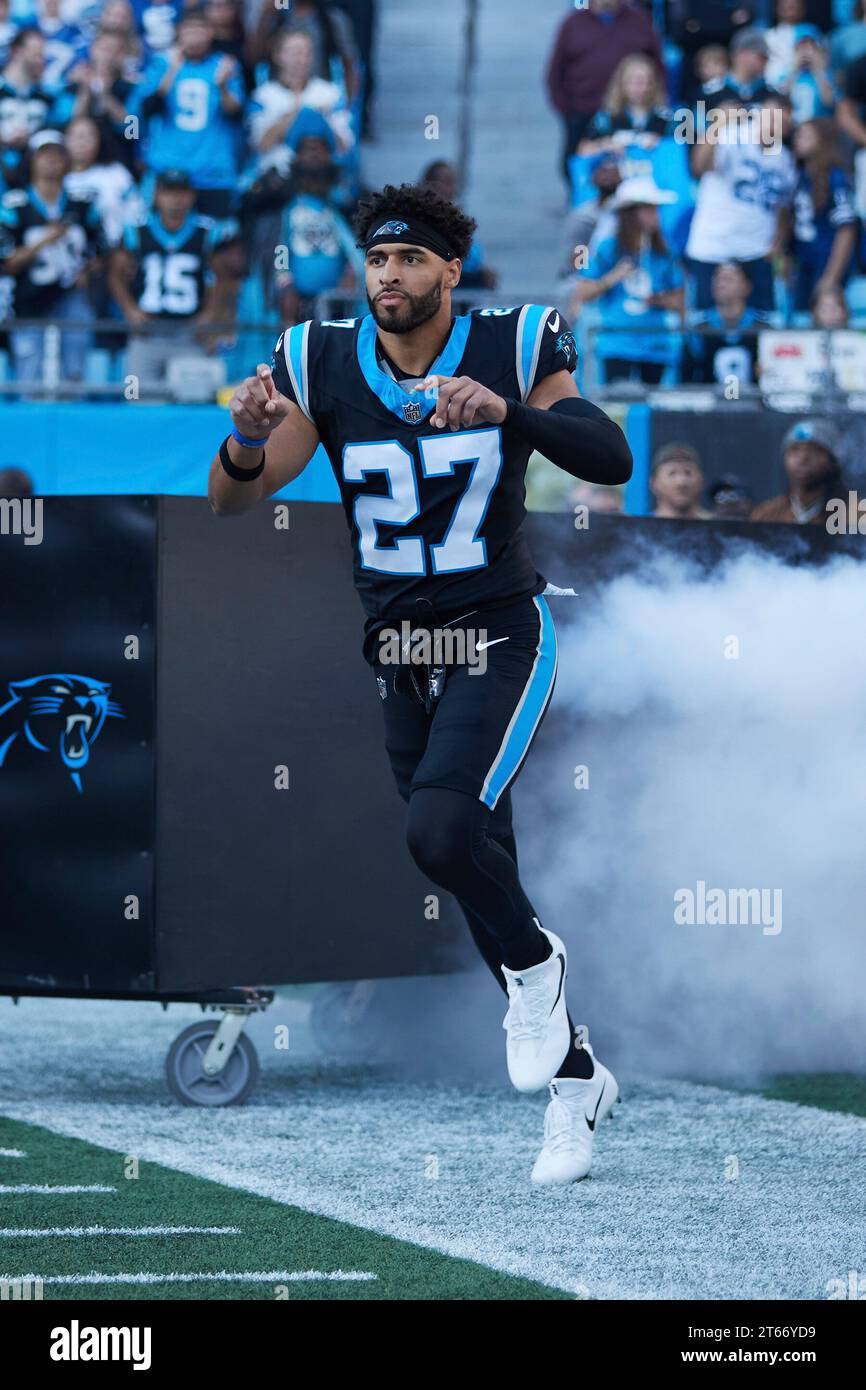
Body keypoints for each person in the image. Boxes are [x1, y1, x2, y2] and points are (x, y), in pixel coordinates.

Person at [207, 181, 633, 1186]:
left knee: (438, 834)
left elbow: (608, 452)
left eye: (409, 260)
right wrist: (245, 434)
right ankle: (575, 1088)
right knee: (477, 872)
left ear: (449, 270)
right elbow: (234, 498)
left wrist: (511, 415)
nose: (388, 276)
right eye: (377, 260)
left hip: (494, 626)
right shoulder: (319, 357)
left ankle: (536, 975)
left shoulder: (511, 342)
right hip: (398, 648)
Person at [108, 167, 237, 388]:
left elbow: (223, 279)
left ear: (191, 196)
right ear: (157, 195)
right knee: (140, 404)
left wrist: (211, 314)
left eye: (181, 193)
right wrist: (129, 308)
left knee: (192, 401)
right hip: (147, 334)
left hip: (189, 333)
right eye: (169, 192)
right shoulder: (136, 230)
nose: (175, 199)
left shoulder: (207, 232)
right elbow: (115, 275)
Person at [0, 129, 108, 388]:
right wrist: (45, 240)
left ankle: (75, 419)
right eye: (44, 155)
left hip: (71, 294)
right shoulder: (14, 204)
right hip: (28, 298)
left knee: (74, 369)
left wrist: (87, 272)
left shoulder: (82, 202)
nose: (51, 161)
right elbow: (8, 262)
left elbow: (102, 251)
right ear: (32, 160)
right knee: (29, 372)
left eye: (57, 154)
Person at [133, 8, 245, 219]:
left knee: (216, 243)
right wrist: (171, 71)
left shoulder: (225, 65)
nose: (195, 36)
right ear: (179, 34)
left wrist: (222, 87)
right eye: (189, 30)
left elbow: (236, 115)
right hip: (169, 169)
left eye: (200, 29)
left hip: (213, 171)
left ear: (211, 33)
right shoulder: (162, 63)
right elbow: (148, 110)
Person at [687, 97, 797, 311]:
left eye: (783, 122)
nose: (776, 126)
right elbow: (698, 167)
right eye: (772, 118)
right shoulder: (732, 136)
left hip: (756, 251)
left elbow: (783, 205)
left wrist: (778, 241)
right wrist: (717, 125)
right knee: (706, 327)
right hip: (713, 246)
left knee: (761, 326)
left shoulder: (784, 158)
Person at [571, 176, 683, 386]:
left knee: (652, 407)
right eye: (649, 209)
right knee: (616, 406)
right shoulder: (607, 248)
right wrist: (612, 277)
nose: (655, 216)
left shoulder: (665, 251)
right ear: (631, 214)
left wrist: (659, 300)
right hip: (617, 341)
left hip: (655, 343)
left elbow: (680, 300)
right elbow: (582, 292)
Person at [545, 0, 662, 188]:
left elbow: (657, 64)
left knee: (633, 164)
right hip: (583, 110)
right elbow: (556, 71)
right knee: (575, 162)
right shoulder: (573, 23)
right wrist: (566, 109)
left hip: (629, 110)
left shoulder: (639, 20)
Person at [247, 27, 354, 181]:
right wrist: (295, 113)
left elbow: (344, 147)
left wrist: (320, 119)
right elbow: (262, 144)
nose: (302, 59)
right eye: (296, 52)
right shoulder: (263, 96)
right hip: (278, 179)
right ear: (278, 56)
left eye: (308, 52)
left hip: (322, 181)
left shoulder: (330, 93)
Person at [791, 117, 856, 311]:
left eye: (805, 135)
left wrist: (831, 277)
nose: (798, 139)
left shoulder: (835, 176)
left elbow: (847, 229)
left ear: (822, 140)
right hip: (805, 262)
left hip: (827, 261)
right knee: (801, 322)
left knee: (825, 318)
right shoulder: (801, 175)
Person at [682, 260, 764, 386]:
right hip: (712, 402)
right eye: (717, 278)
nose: (720, 283)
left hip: (753, 402)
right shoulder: (699, 329)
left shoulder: (763, 329)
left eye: (728, 278)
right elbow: (687, 376)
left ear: (746, 287)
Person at [420, 160, 498, 290]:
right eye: (446, 182)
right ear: (429, 184)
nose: (452, 188)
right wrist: (479, 278)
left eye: (453, 182)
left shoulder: (455, 221)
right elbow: (431, 273)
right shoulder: (425, 224)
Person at [751, 418, 846, 524]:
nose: (803, 458)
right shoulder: (766, 514)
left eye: (815, 450)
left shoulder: (855, 515)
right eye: (795, 449)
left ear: (832, 461)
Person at [578, 53, 671, 155]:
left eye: (648, 82)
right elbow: (583, 150)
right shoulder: (607, 117)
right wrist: (605, 145)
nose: (642, 88)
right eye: (636, 82)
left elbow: (679, 149)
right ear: (622, 83)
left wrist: (661, 144)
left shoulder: (665, 117)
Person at [787, 25, 837, 123]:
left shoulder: (828, 75)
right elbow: (781, 101)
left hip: (820, 127)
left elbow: (829, 102)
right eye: (802, 46)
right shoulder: (787, 74)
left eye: (811, 46)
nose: (806, 51)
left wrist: (817, 69)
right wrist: (794, 70)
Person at [650, 441, 712, 519]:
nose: (681, 482)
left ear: (702, 481)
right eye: (672, 473)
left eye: (688, 473)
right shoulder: (640, 528)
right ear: (654, 483)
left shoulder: (719, 528)